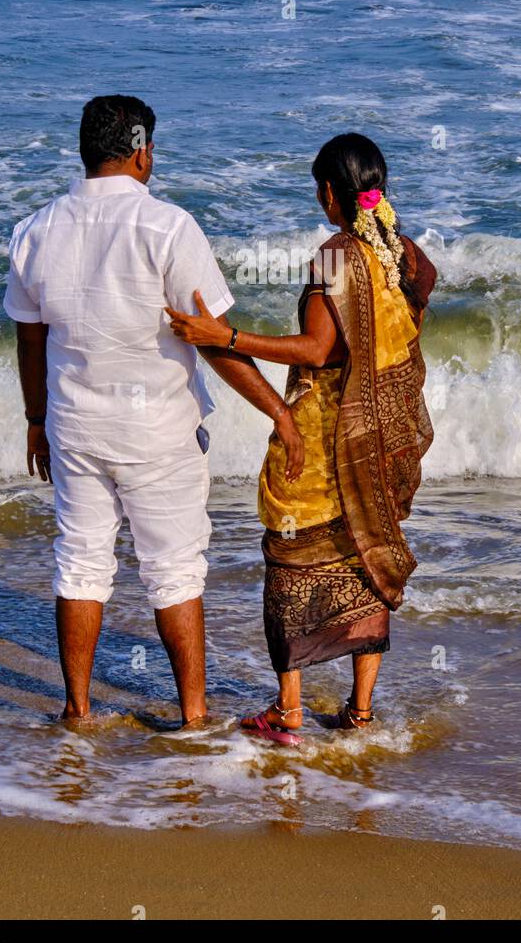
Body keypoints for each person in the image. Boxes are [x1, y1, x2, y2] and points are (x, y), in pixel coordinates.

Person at [3, 95, 303, 727]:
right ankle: (193, 713)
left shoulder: (36, 229)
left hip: (73, 427)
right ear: (140, 150)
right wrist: (278, 410)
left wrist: (36, 420)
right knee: (173, 571)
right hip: (159, 432)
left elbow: (30, 339)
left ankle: (78, 709)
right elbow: (213, 338)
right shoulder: (168, 227)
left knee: (80, 560)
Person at [167, 132, 436, 744]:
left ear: (326, 192)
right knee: (365, 552)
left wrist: (224, 338)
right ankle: (360, 712)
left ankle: (288, 713)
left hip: (327, 434)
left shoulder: (335, 258)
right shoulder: (404, 253)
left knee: (292, 555)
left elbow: (317, 350)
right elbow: (414, 306)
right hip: (382, 432)